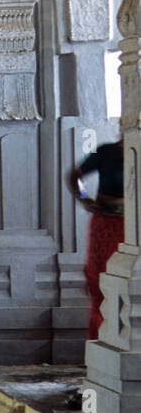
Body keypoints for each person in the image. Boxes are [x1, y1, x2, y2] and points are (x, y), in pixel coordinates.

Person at [68, 140, 125, 341]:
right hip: (105, 222)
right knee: (99, 278)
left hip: (132, 226)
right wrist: (83, 197)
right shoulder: (106, 151)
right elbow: (74, 175)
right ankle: (99, 337)